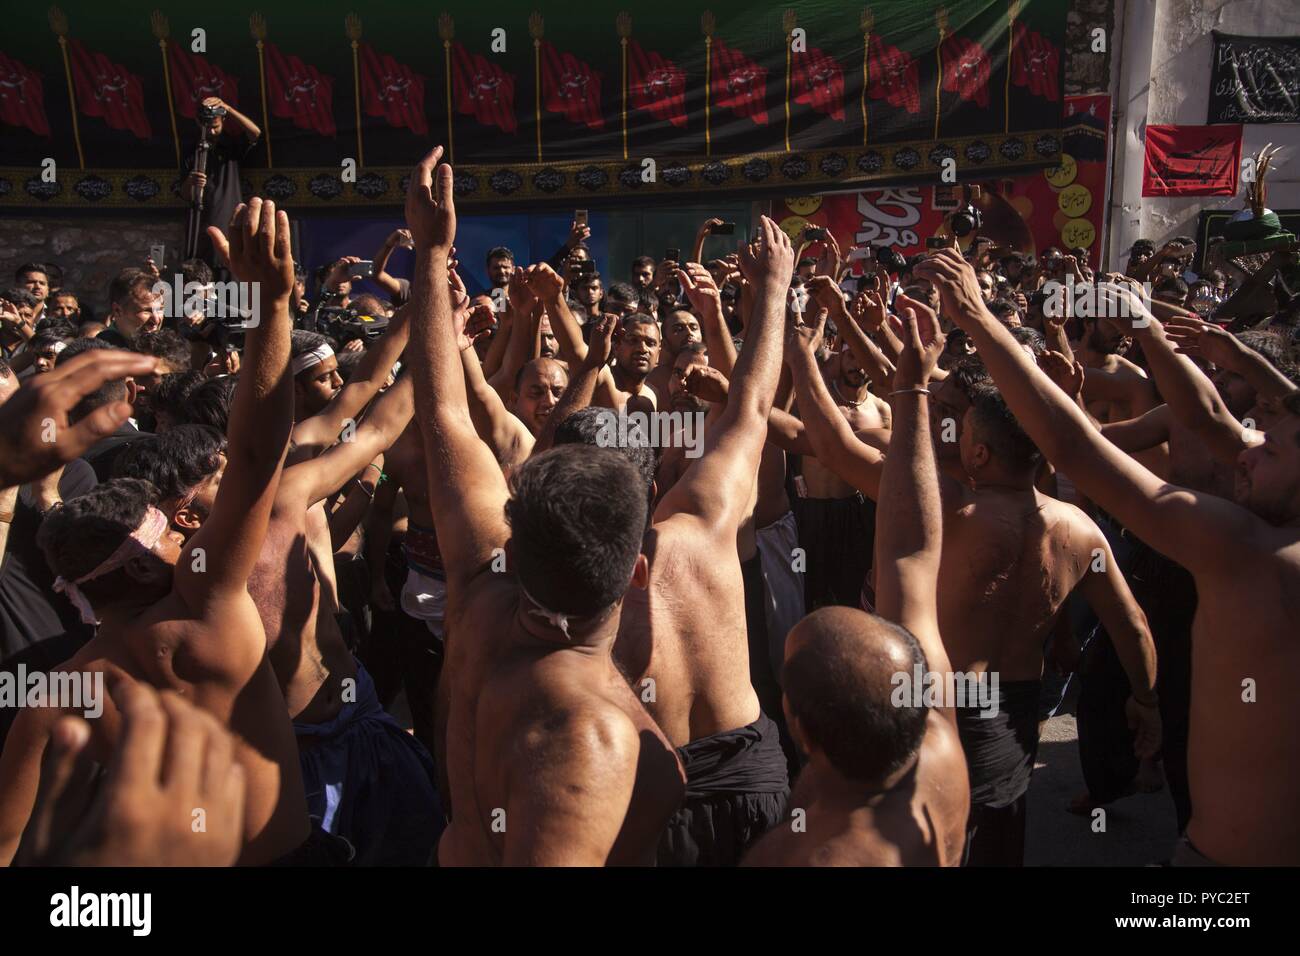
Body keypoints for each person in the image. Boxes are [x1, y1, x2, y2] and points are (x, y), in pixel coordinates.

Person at [915, 248, 1300, 866]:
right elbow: (1204, 417)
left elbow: (1073, 446)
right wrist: (1173, 334)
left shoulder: (1249, 551)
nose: (1244, 451)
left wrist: (978, 318)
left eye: (1269, 448)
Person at [0, 198, 315, 867]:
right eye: (168, 534)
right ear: (143, 567)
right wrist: (271, 305)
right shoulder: (207, 610)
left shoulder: (61, 692)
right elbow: (257, 454)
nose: (185, 533)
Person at [399, 147, 684, 866]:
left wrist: (432, 259)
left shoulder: (476, 598)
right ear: (638, 574)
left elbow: (445, 412)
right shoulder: (598, 740)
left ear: (514, 545)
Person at [743, 308, 970, 866]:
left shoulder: (789, 855)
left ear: (797, 726)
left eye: (950, 412)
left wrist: (795, 352)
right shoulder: (941, 753)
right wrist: (914, 387)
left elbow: (836, 450)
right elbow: (909, 553)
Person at [181, 96, 262, 271]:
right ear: (198, 123)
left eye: (215, 127)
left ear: (223, 121)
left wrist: (227, 107)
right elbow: (184, 194)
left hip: (228, 218)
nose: (211, 132)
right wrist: (191, 181)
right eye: (207, 127)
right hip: (201, 225)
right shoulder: (191, 151)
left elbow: (255, 133)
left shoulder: (231, 147)